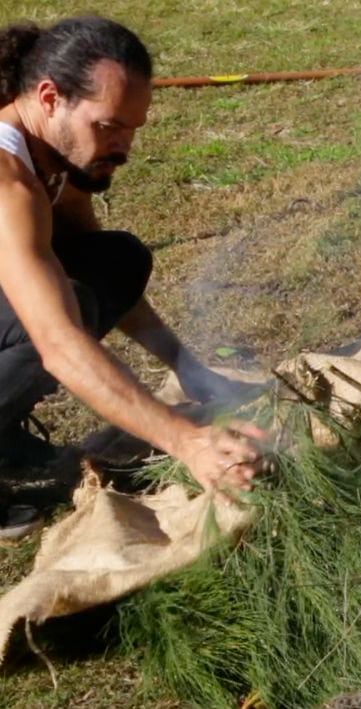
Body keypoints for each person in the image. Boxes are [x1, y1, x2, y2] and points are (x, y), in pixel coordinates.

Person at [0, 16, 267, 509]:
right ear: (50, 98)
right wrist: (186, 441)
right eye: (107, 127)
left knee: (115, 261)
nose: (122, 147)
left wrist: (185, 366)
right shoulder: (8, 182)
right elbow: (58, 343)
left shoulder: (54, 158)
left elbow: (102, 277)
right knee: (59, 309)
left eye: (131, 129)